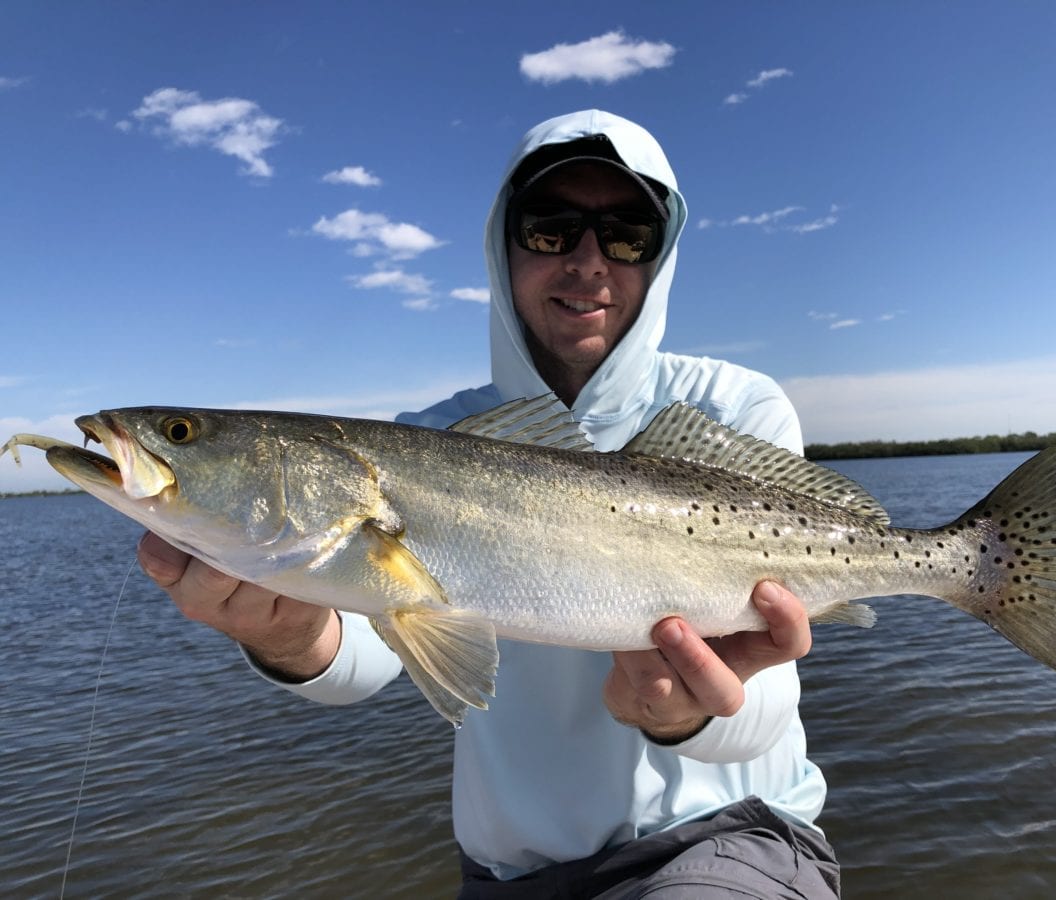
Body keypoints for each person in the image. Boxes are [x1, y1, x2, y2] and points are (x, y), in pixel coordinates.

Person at [138, 109, 840, 898]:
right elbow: (369, 655)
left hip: (724, 842)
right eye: (550, 228)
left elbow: (768, 708)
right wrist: (290, 635)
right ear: (501, 246)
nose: (588, 261)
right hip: (505, 874)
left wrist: (684, 714)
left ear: (661, 255)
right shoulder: (429, 434)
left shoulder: (732, 406)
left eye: (627, 235)